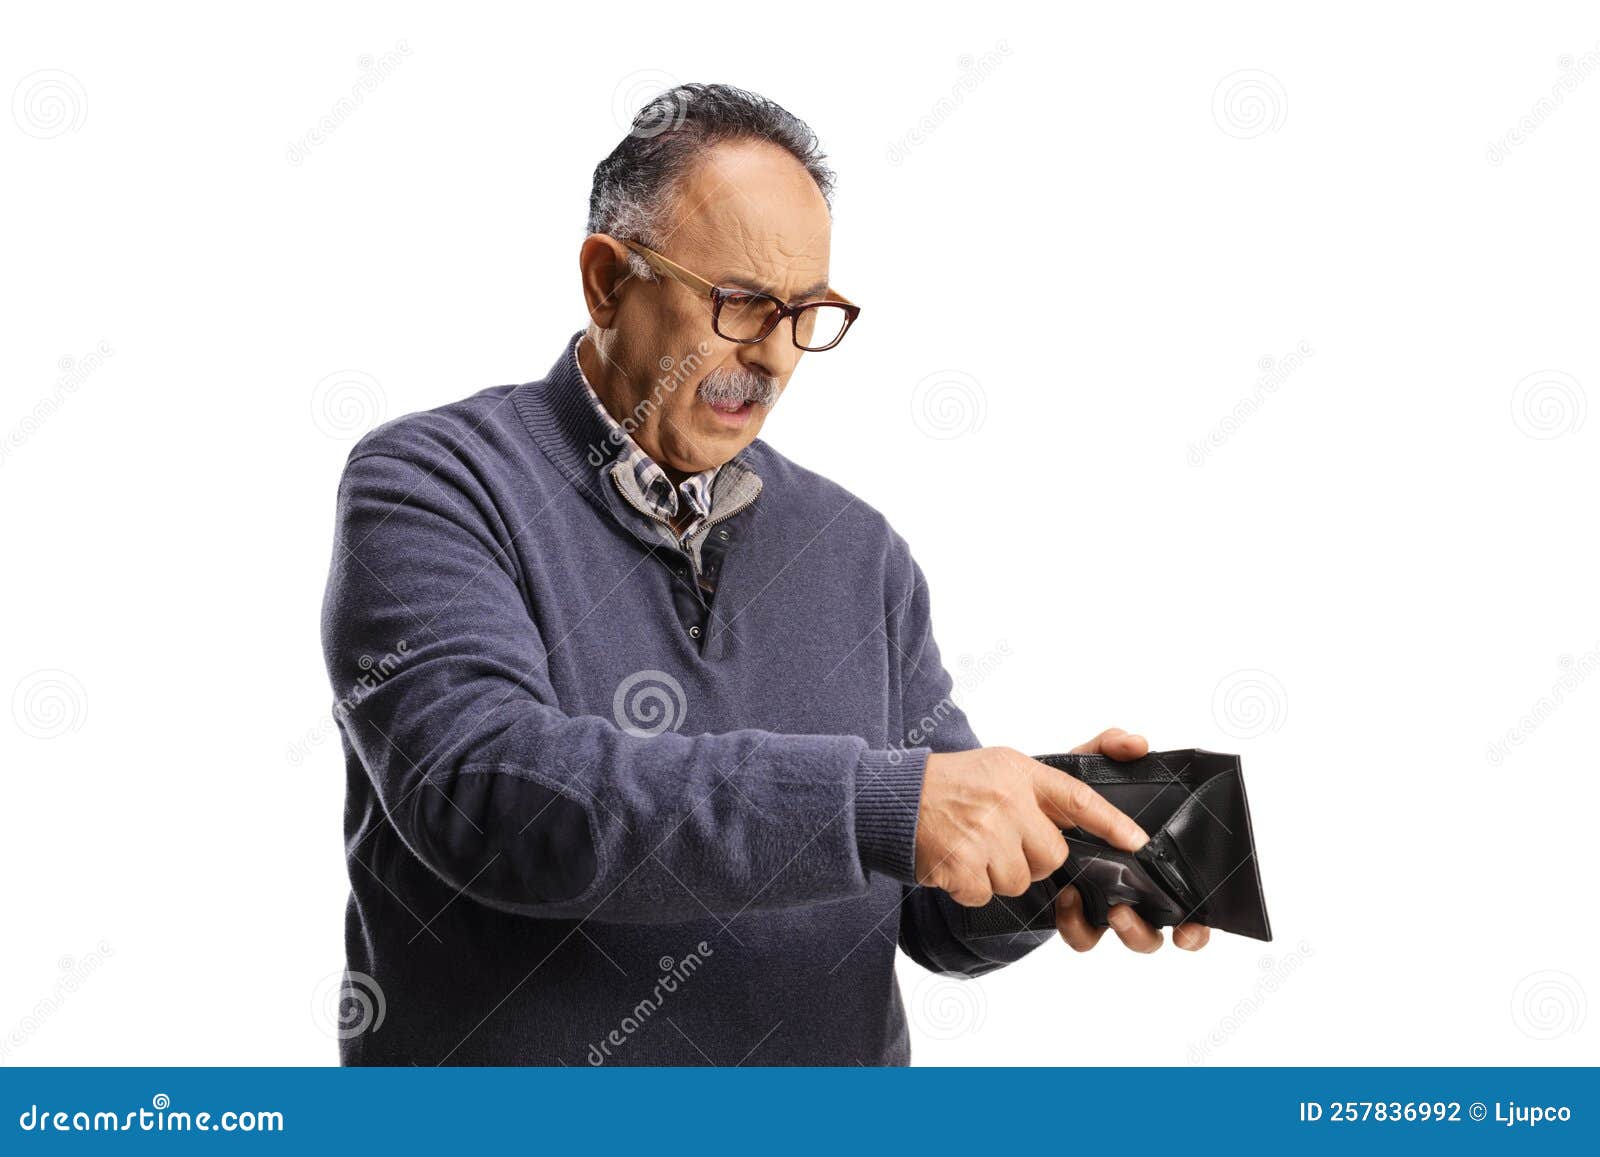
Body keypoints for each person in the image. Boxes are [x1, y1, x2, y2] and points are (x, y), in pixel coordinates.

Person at [320, 83, 1207, 1067]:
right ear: (607, 280)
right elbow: (486, 791)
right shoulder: (433, 481)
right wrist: (877, 804)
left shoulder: (858, 548)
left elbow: (924, 900)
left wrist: (1041, 852)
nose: (776, 355)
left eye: (805, 313)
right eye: (740, 304)